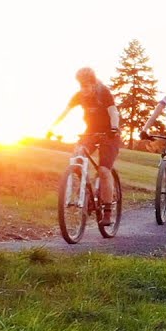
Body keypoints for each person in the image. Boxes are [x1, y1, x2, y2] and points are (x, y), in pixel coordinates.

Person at [48, 67, 122, 227]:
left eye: (87, 86)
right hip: (91, 132)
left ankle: (108, 211)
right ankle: (87, 190)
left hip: (110, 133)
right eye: (81, 86)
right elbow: (65, 112)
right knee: (78, 156)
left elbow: (113, 112)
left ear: (94, 84)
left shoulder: (104, 93)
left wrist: (114, 128)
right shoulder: (79, 95)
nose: (84, 90)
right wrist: (51, 127)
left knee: (103, 170)